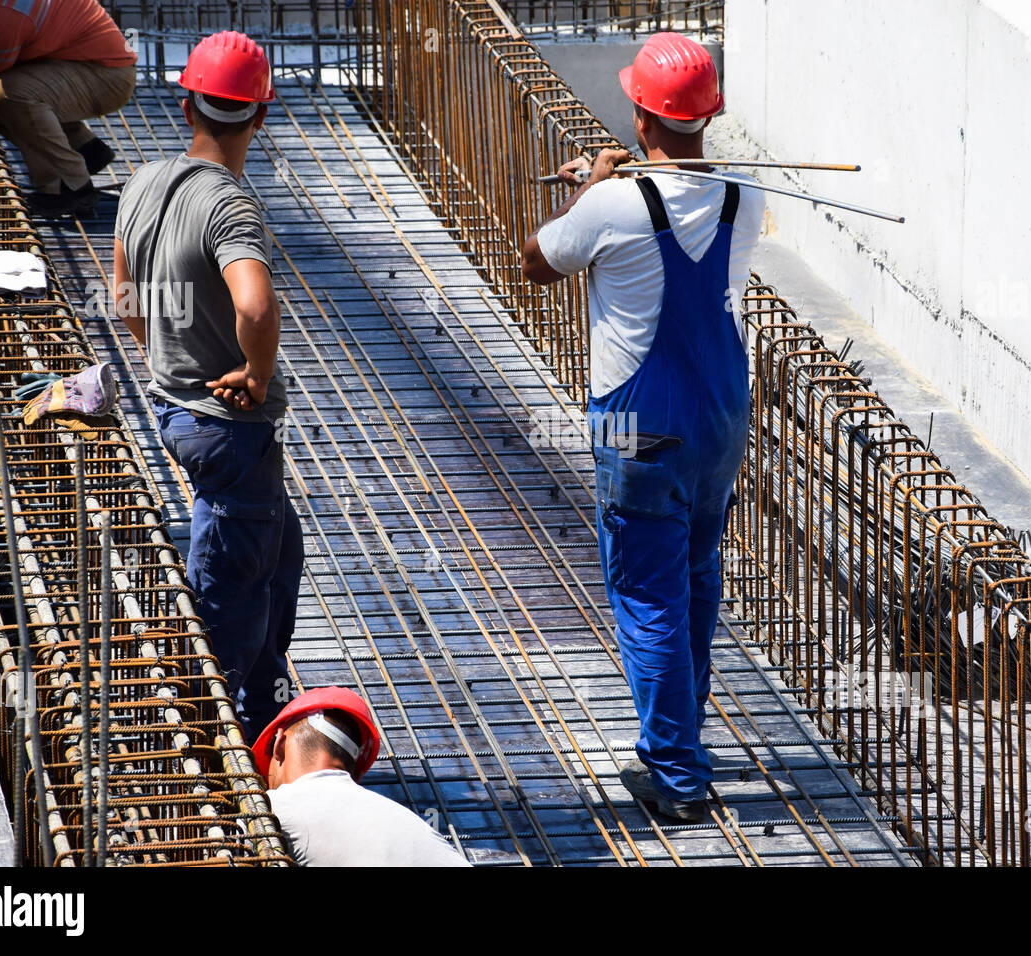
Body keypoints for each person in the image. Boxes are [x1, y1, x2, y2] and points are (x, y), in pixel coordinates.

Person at [520, 32, 764, 823]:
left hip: (638, 424)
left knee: (645, 590)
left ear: (641, 116)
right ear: (707, 117)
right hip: (723, 417)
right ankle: (683, 734)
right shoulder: (742, 196)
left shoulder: (615, 202)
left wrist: (586, 189)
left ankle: (675, 772)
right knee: (694, 573)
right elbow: (676, 210)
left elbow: (538, 260)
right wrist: (608, 187)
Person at [111, 31, 302, 741]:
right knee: (231, 596)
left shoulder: (139, 182)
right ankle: (203, 735)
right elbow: (253, 304)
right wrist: (253, 370)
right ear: (260, 117)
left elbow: (124, 299)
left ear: (186, 105)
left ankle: (267, 704)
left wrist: (167, 359)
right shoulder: (230, 206)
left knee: (279, 551)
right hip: (227, 427)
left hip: (177, 410)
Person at [254, 687, 470, 867]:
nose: (267, 781)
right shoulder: (407, 822)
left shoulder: (276, 808)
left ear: (279, 744)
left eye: (266, 767)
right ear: (356, 773)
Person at [0, 0, 137, 217]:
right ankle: (84, 148)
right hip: (87, 64)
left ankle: (69, 187)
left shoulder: (0, 15)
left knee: (7, 94)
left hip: (107, 77)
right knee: (6, 94)